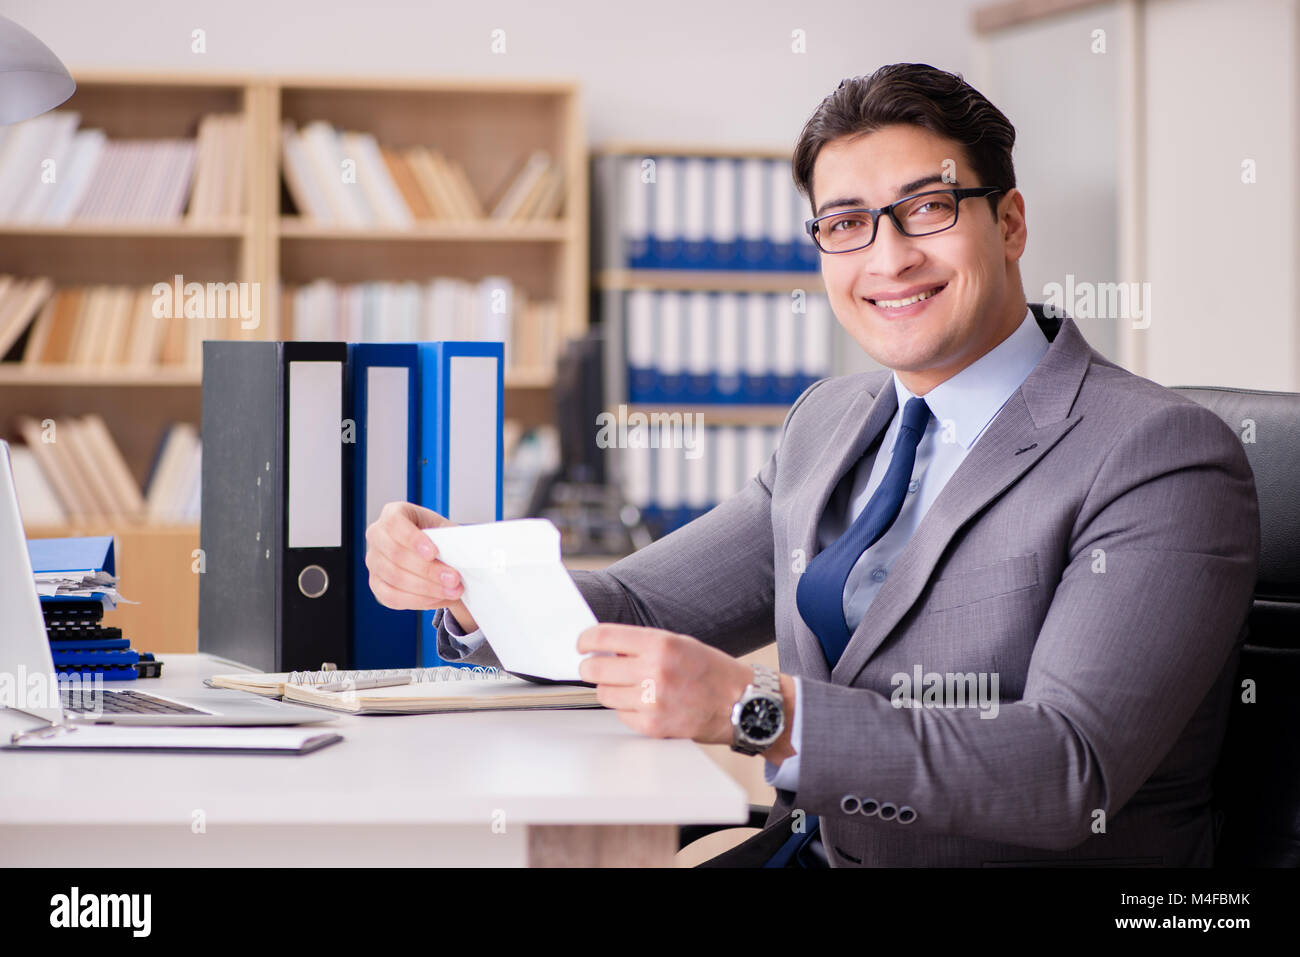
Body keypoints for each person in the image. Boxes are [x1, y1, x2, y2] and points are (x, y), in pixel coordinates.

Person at [364, 63, 1260, 867]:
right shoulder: (831, 422)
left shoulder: (1155, 452)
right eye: (847, 224)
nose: (890, 255)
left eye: (929, 208)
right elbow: (637, 608)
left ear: (1011, 221)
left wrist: (762, 711)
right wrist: (473, 581)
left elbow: (1067, 766)